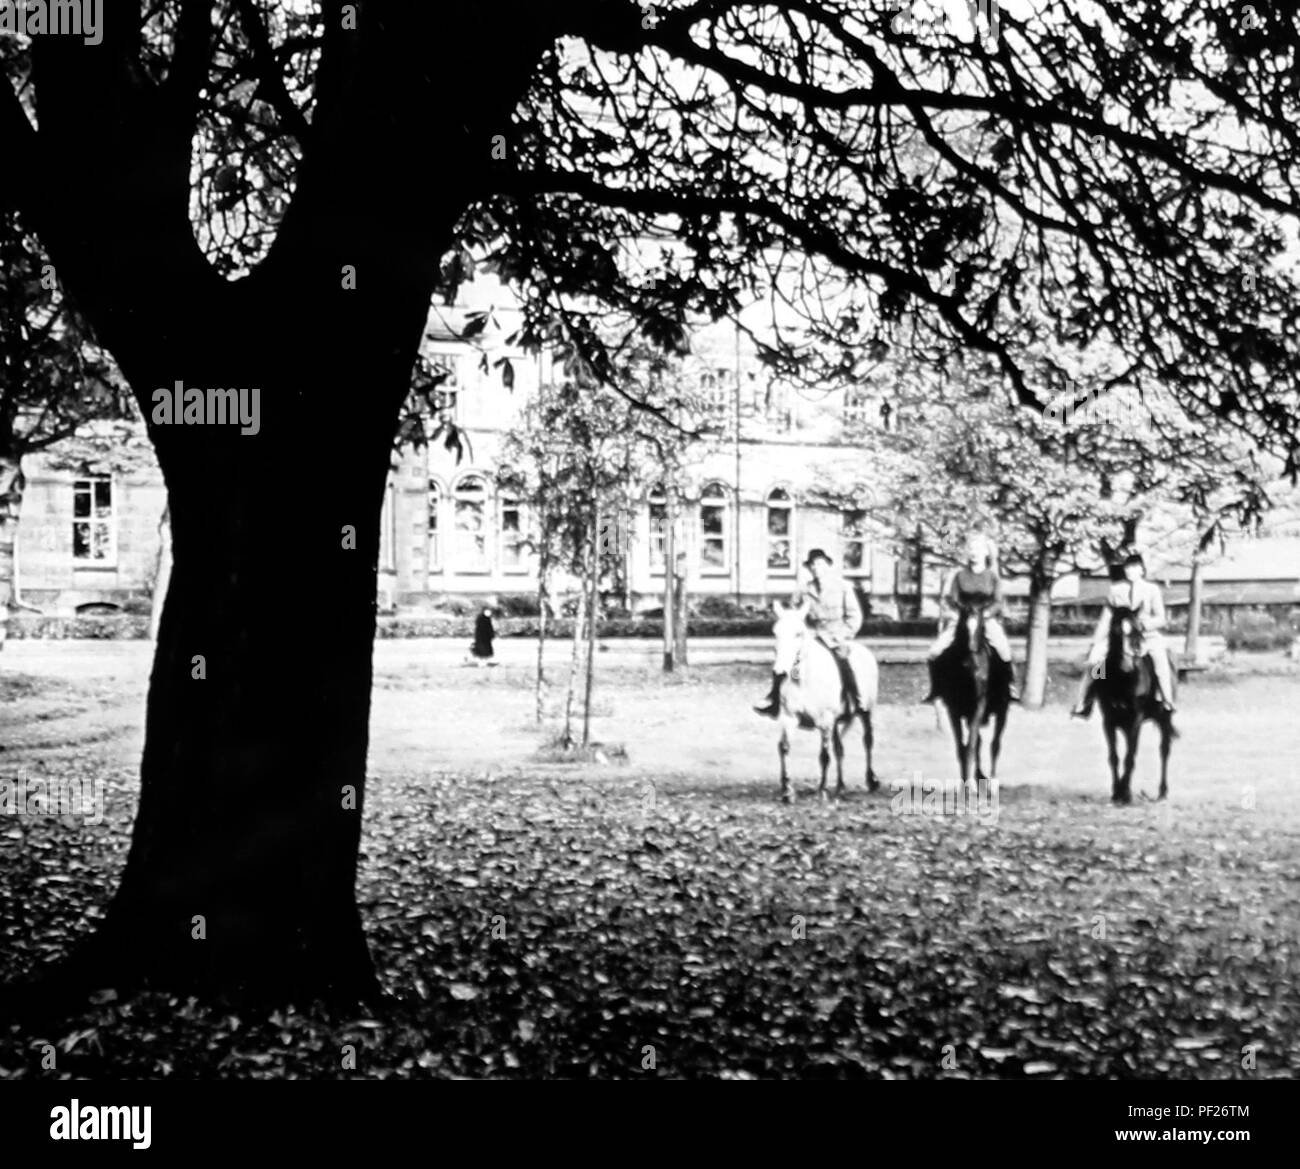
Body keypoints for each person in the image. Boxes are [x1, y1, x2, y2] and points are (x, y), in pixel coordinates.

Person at [755, 548, 863, 717]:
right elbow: (793, 616)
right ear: (809, 568)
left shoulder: (843, 588)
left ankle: (855, 699)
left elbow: (854, 617)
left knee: (844, 662)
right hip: (810, 637)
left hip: (835, 637)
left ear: (827, 566)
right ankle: (775, 699)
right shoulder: (803, 590)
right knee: (785, 662)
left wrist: (843, 635)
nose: (816, 568)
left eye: (820, 564)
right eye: (812, 565)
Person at [1071, 550, 1175, 717]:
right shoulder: (1116, 590)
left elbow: (1161, 618)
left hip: (1146, 636)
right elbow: (1106, 619)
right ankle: (1084, 703)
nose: (1129, 571)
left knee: (1160, 661)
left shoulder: (1152, 590)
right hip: (1118, 637)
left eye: (1134, 567)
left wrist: (1142, 625)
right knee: (1096, 662)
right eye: (1127, 568)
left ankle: (1166, 700)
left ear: (1142, 570)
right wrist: (1095, 642)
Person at [922, 533, 1020, 703]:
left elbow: (998, 601)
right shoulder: (960, 576)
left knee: (1004, 651)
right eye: (971, 549)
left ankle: (1009, 687)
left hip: (985, 618)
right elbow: (952, 598)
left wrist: (987, 613)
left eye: (978, 549)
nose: (974, 553)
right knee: (934, 652)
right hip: (962, 618)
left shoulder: (992, 576)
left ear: (985, 553)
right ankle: (936, 689)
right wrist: (956, 613)